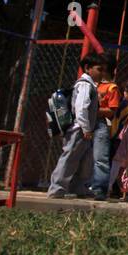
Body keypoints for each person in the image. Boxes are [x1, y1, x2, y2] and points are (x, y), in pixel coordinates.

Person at [48, 53, 106, 198]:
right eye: (99, 69)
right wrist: (86, 128)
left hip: (84, 130)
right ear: (87, 68)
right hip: (78, 129)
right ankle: (57, 189)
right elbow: (81, 108)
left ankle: (78, 188)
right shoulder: (85, 85)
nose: (102, 73)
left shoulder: (90, 85)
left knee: (84, 161)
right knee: (69, 159)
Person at [89, 59, 120, 200]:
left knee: (100, 158)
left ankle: (100, 189)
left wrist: (94, 110)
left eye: (102, 68)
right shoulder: (94, 85)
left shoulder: (112, 88)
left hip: (102, 125)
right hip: (89, 123)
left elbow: (112, 111)